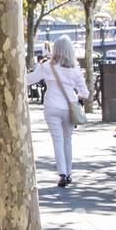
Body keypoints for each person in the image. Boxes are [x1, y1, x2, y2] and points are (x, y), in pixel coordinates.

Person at [25, 35, 90, 187]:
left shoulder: (47, 66)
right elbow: (85, 94)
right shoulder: (75, 70)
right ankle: (69, 172)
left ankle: (62, 174)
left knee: (57, 140)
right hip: (69, 108)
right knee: (68, 140)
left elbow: (29, 80)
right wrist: (74, 95)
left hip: (52, 107)